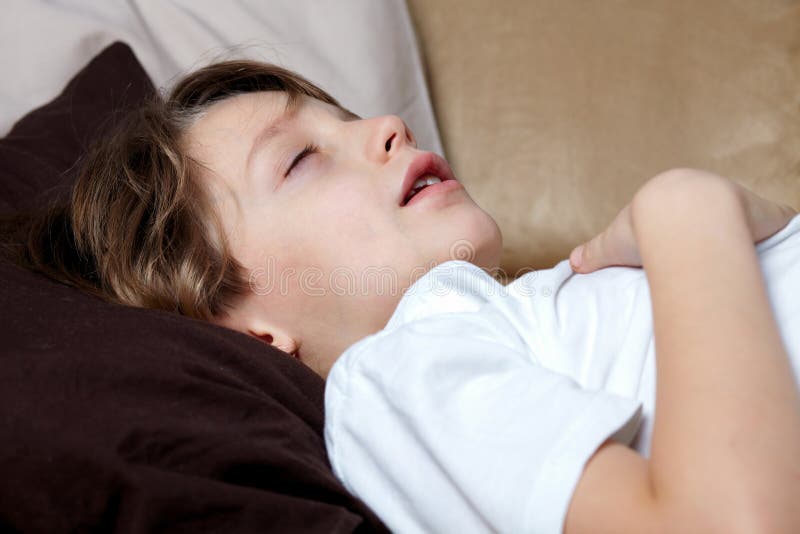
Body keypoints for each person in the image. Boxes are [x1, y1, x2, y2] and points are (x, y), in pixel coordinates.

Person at [4, 59, 799, 533]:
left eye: (345, 118)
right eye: (299, 161)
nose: (386, 124)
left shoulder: (523, 314)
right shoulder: (400, 377)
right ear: (252, 329)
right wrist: (688, 210)